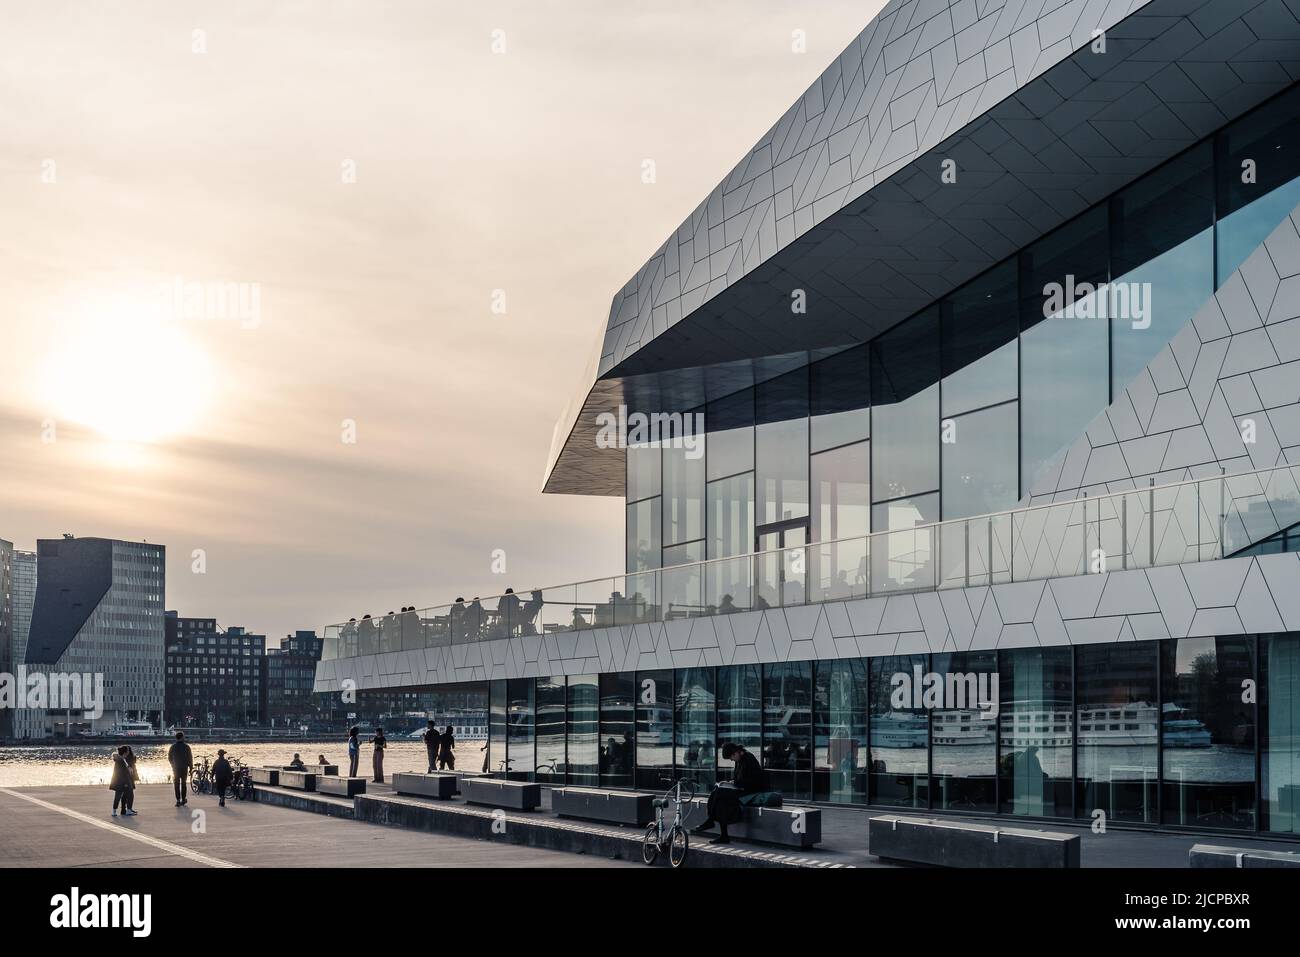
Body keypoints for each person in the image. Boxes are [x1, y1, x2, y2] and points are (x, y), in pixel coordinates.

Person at [692, 742, 764, 844]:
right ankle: (721, 833)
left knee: (720, 795)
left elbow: (754, 780)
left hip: (751, 791)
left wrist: (735, 783)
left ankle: (711, 822)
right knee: (717, 792)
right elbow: (738, 778)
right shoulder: (739, 760)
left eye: (731, 758)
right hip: (741, 788)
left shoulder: (749, 758)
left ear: (735, 753)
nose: (731, 760)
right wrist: (729, 782)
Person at [168, 731, 193, 807]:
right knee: (184, 784)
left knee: (176, 784)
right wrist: (191, 767)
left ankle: (178, 800)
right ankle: (183, 799)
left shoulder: (172, 747)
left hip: (176, 768)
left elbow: (169, 757)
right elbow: (190, 758)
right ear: (182, 737)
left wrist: (173, 764)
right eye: (184, 736)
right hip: (184, 768)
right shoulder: (187, 747)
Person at [109, 746, 133, 817]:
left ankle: (115, 811)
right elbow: (121, 773)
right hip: (122, 781)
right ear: (125, 752)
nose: (129, 752)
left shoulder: (122, 759)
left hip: (120, 781)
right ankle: (119, 810)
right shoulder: (121, 761)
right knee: (122, 796)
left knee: (119, 796)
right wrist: (125, 783)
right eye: (128, 751)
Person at [124, 746, 140, 814]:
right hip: (131, 777)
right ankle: (129, 809)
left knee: (125, 794)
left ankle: (125, 809)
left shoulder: (124, 758)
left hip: (126, 777)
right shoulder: (132, 757)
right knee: (130, 794)